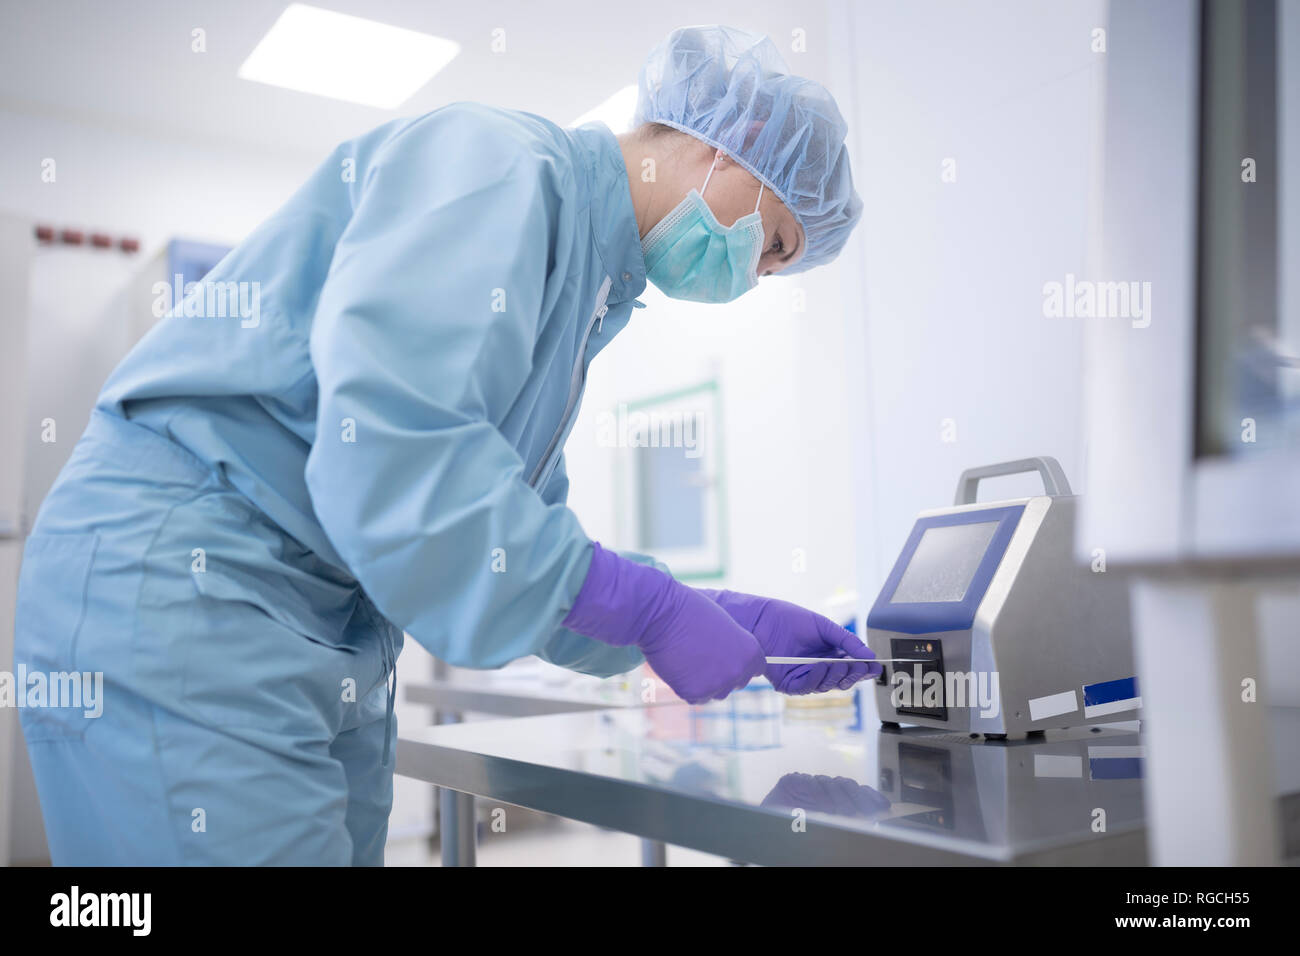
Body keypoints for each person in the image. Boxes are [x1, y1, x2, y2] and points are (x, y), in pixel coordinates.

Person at [14, 24, 868, 865]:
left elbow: (510, 539)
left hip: (321, 632)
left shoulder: (582, 297)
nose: (756, 273)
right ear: (736, 144)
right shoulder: (500, 164)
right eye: (774, 243)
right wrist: (646, 607)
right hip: (189, 588)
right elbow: (398, 451)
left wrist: (715, 612)